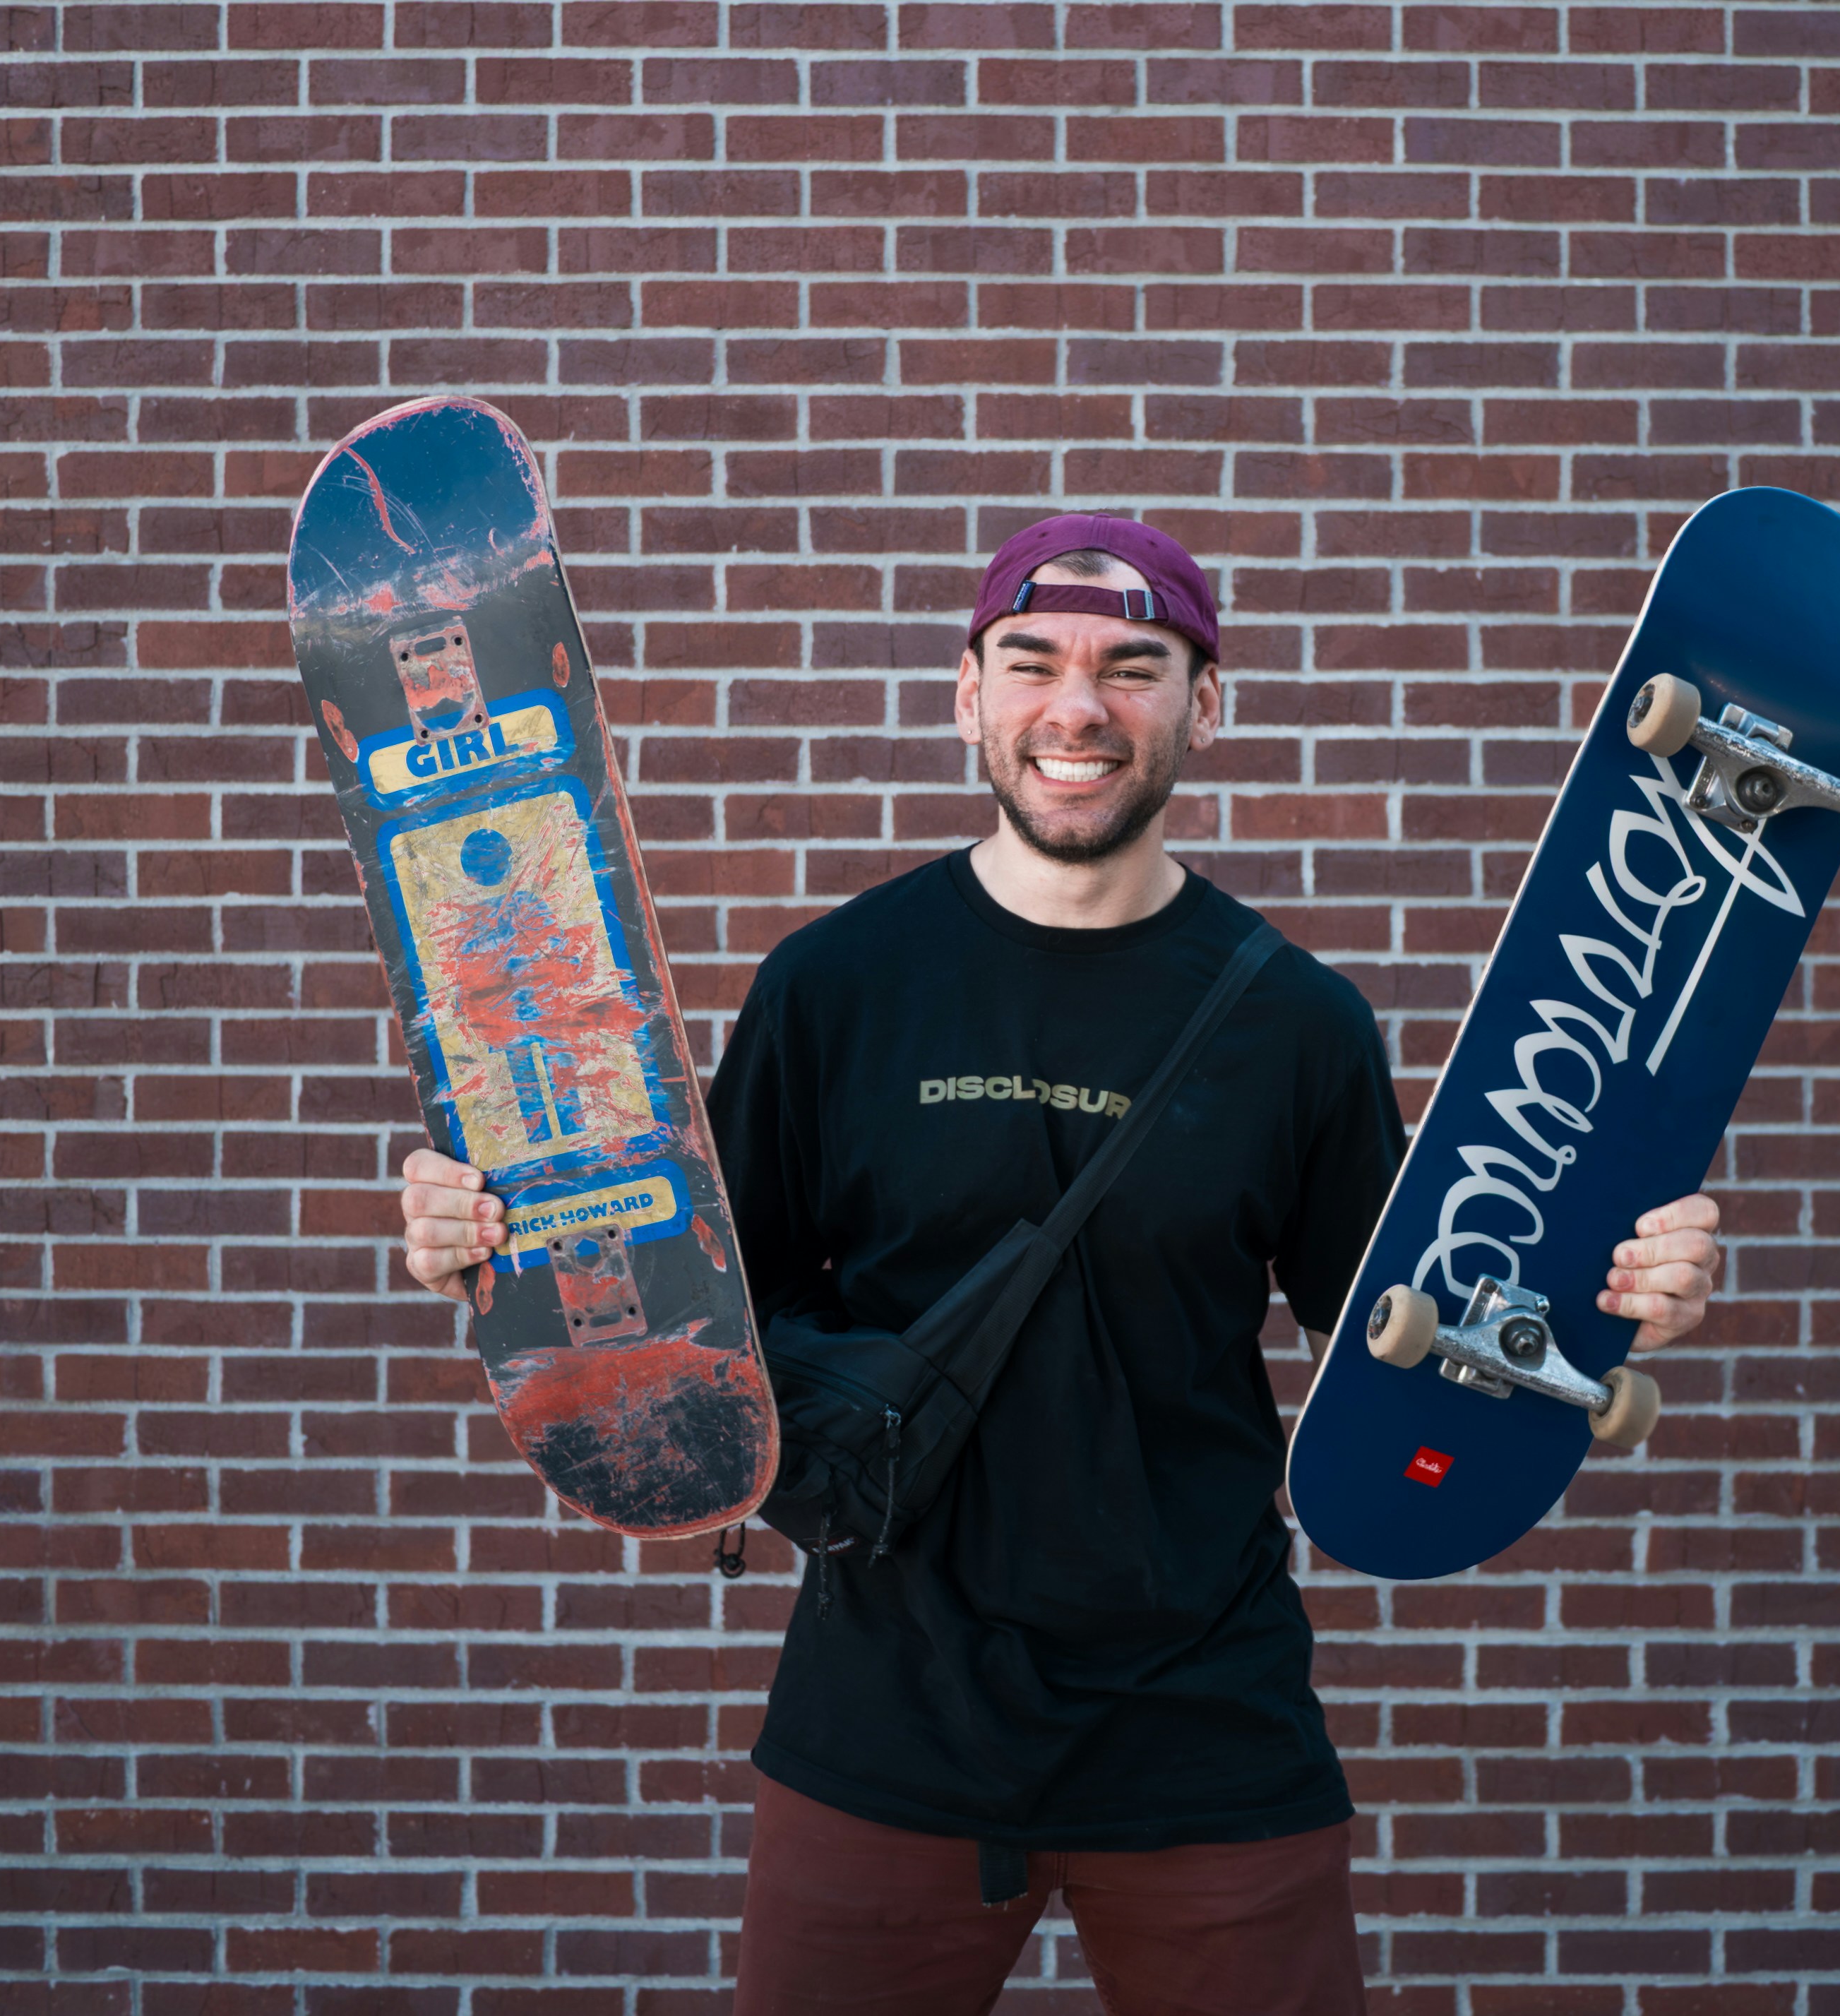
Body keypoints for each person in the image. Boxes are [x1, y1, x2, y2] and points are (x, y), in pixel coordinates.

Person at [393, 515, 1725, 2014]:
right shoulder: (835, 986)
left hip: (1206, 1730)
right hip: (885, 1722)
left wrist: (1612, 1301)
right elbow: (697, 1303)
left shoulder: (1299, 1025)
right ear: (966, 695)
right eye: (1031, 663)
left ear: (1204, 707)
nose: (1077, 709)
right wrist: (498, 1248)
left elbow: (1403, 1335)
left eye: (1132, 668)